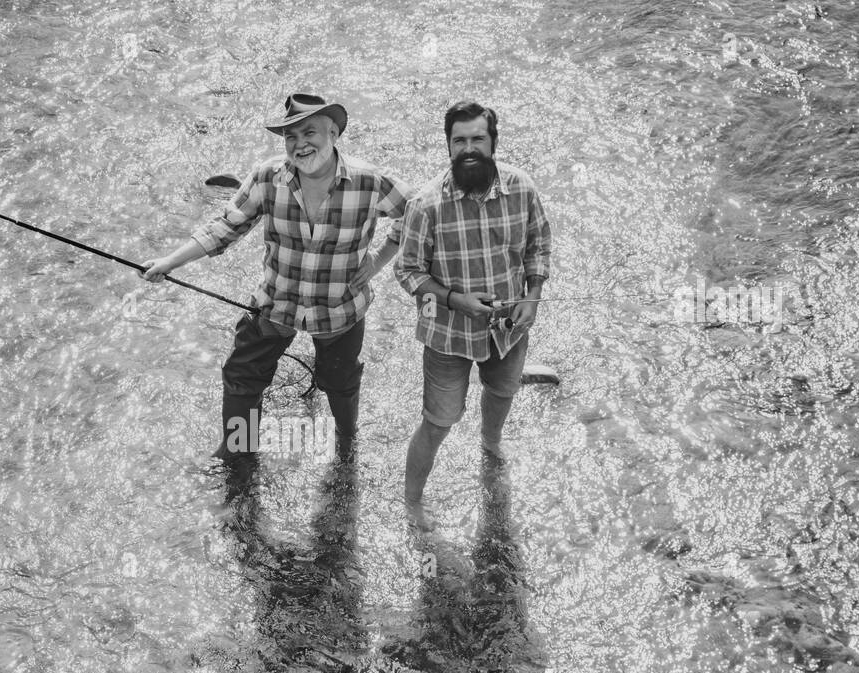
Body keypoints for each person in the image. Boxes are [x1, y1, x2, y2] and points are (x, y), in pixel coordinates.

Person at [141, 93, 412, 461]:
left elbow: (418, 213)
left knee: (340, 381)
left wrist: (380, 260)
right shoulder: (267, 177)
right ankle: (238, 450)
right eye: (291, 137)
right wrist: (169, 262)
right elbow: (224, 228)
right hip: (275, 303)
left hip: (338, 310)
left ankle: (345, 442)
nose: (300, 145)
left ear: (334, 133)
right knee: (242, 374)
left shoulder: (369, 182)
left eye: (310, 133)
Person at [394, 100, 553, 524]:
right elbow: (408, 271)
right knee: (438, 421)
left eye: (477, 139)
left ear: (493, 142)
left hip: (508, 330)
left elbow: (538, 246)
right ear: (447, 146)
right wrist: (453, 300)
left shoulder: (522, 188)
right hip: (447, 336)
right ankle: (412, 501)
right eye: (459, 140)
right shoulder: (425, 205)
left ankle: (491, 441)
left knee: (503, 391)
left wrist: (532, 296)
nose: (468, 148)